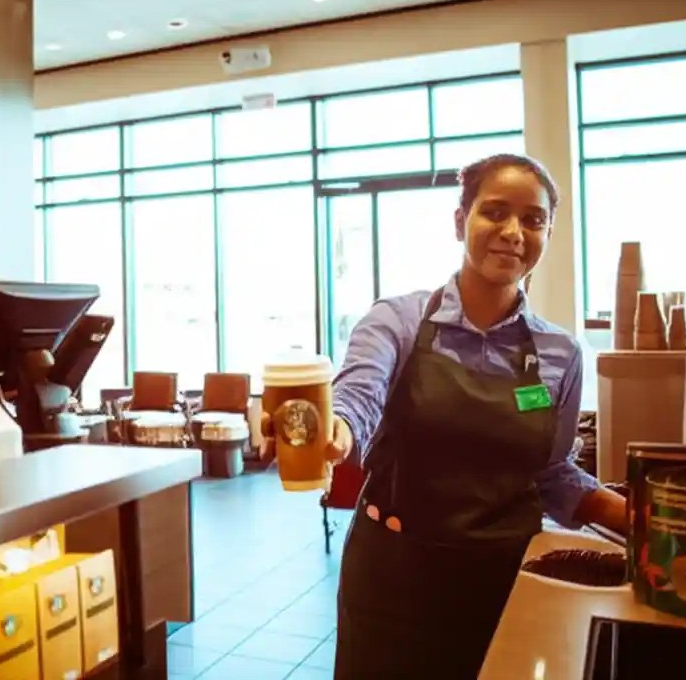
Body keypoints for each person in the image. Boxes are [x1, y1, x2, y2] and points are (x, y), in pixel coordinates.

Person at [266, 153, 627, 679]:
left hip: (505, 582)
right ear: (461, 220)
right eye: (495, 212)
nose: (512, 232)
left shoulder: (560, 353)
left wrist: (642, 518)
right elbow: (357, 398)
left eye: (533, 220)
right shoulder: (399, 320)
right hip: (394, 582)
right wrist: (333, 433)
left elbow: (551, 474)